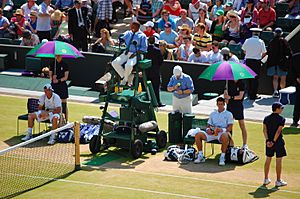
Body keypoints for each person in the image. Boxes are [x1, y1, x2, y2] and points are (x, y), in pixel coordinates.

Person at [194, 97, 234, 166]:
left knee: (225, 135)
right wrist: (208, 130)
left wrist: (221, 130)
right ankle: (200, 155)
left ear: (224, 104)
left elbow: (230, 127)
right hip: (212, 133)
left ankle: (222, 157)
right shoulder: (213, 113)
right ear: (217, 104)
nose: (220, 106)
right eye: (219, 104)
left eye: (221, 104)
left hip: (221, 134)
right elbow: (208, 125)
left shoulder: (229, 114)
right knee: (198, 134)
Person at [112, 21, 147, 86]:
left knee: (128, 65)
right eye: (131, 27)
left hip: (137, 54)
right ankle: (127, 77)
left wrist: (134, 54)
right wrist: (118, 41)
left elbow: (144, 49)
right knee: (114, 63)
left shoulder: (142, 36)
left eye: (133, 27)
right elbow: (122, 39)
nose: (131, 28)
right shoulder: (128, 33)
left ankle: (125, 80)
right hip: (127, 52)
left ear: (138, 27)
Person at [263, 102, 287, 187]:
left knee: (268, 159)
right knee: (279, 160)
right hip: (278, 142)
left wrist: (268, 141)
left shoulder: (266, 118)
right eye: (281, 108)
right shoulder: (282, 119)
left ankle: (266, 179)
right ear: (277, 109)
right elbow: (278, 131)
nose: (282, 109)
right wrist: (273, 141)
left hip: (269, 143)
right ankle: (278, 180)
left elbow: (264, 130)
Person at [266, 27, 292, 98]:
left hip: (273, 63)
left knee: (275, 77)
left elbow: (268, 52)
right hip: (282, 63)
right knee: (283, 78)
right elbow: (289, 52)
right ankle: (282, 92)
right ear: (281, 33)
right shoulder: (284, 41)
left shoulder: (271, 41)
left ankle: (275, 91)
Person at [242, 28, 267, 100]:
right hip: (256, 61)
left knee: (249, 78)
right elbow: (264, 52)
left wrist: (249, 54)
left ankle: (249, 93)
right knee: (255, 79)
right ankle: (253, 95)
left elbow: (243, 50)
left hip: (248, 61)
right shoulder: (261, 42)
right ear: (258, 34)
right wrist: (259, 57)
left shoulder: (247, 40)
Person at [224, 80, 248, 149]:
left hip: (238, 107)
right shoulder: (228, 82)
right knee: (229, 126)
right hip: (230, 106)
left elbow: (240, 96)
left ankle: (245, 144)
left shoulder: (242, 83)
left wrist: (230, 97)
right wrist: (226, 97)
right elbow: (225, 92)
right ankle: (229, 144)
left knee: (242, 125)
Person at [145, 35, 165, 107]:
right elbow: (161, 61)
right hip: (155, 72)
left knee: (146, 87)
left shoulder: (145, 50)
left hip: (147, 71)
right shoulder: (157, 50)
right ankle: (157, 102)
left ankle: (146, 101)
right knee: (156, 87)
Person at [49, 55, 69, 121]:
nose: (58, 56)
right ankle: (55, 120)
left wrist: (58, 80)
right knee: (54, 103)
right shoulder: (52, 64)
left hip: (62, 85)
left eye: (59, 55)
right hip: (54, 86)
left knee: (64, 103)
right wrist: (53, 78)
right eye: (57, 55)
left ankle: (66, 119)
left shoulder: (65, 64)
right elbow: (50, 76)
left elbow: (66, 77)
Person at [290, 53, 300, 128]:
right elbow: (291, 69)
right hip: (298, 83)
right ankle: (295, 120)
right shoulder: (295, 57)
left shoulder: (295, 57)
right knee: (298, 101)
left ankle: (295, 120)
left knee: (298, 101)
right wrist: (296, 77)